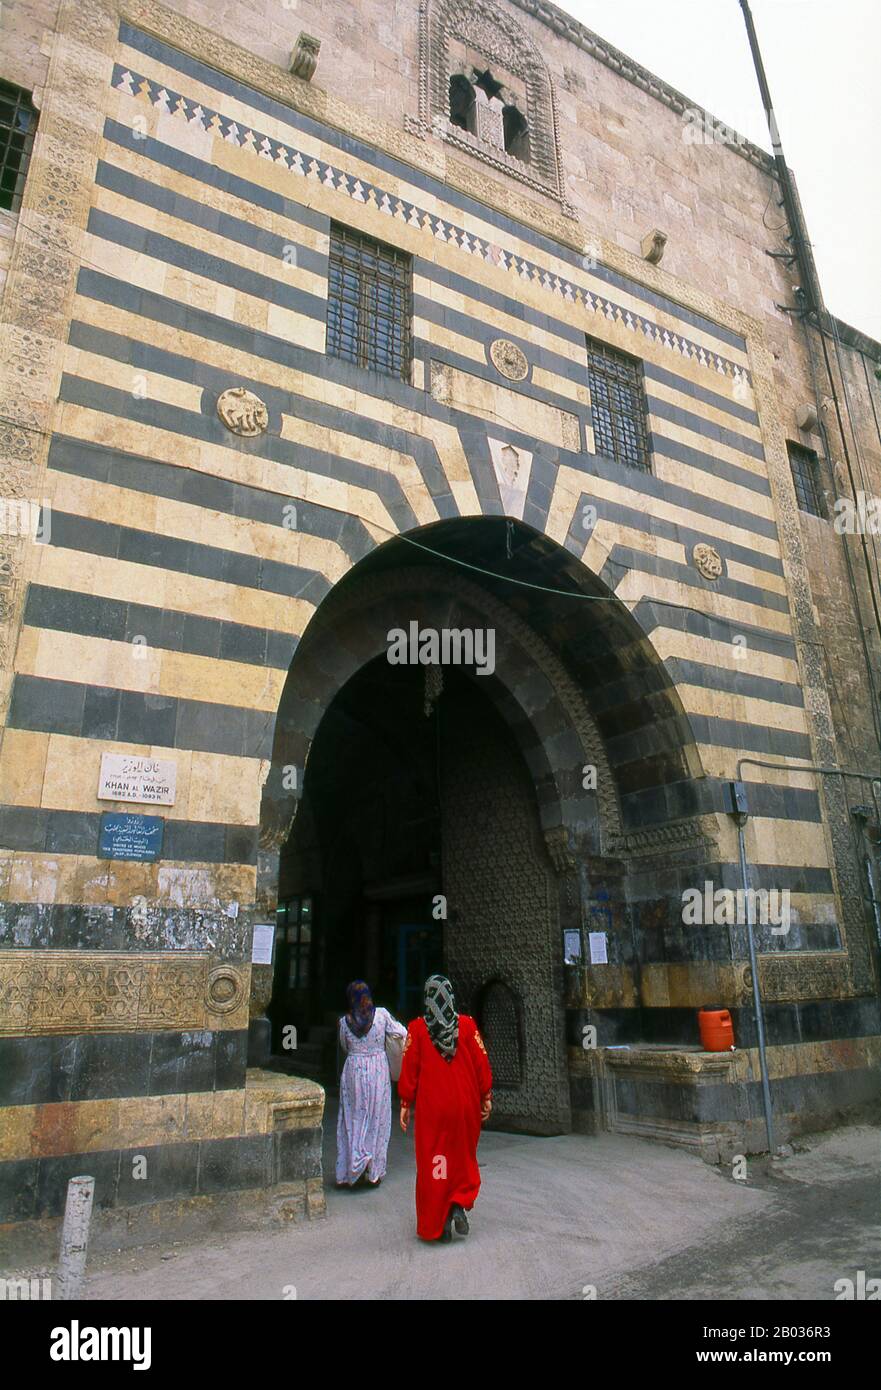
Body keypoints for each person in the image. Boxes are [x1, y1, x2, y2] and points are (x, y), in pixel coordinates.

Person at [398, 973, 493, 1242]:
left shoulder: (417, 1030)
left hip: (433, 1109)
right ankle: (457, 1202)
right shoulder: (467, 1026)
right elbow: (481, 1064)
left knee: (435, 1162)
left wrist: (405, 1102)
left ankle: (437, 1225)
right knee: (461, 1157)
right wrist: (486, 1095)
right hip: (464, 1106)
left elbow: (409, 1071)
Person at [336, 980, 407, 1189]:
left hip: (353, 1070)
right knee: (378, 1118)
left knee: (353, 1118)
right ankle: (373, 1171)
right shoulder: (382, 1015)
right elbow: (402, 1033)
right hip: (378, 1070)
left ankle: (351, 1168)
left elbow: (344, 1046)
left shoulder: (344, 1022)